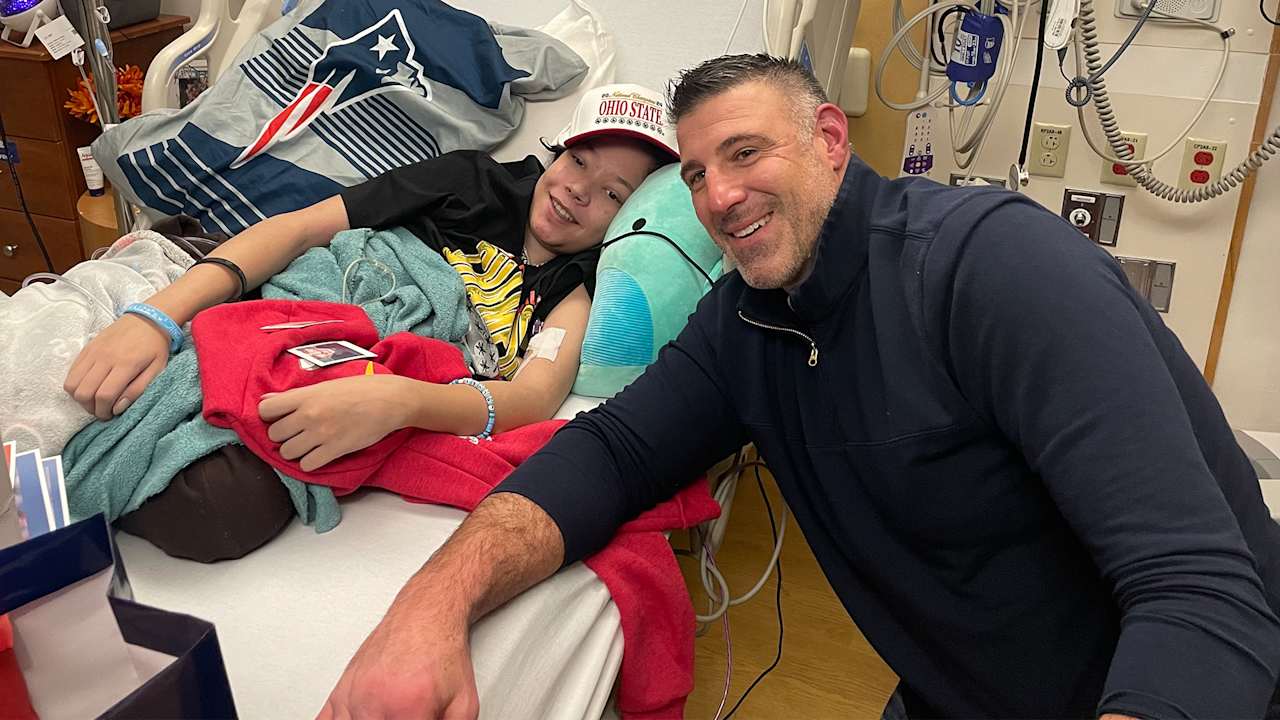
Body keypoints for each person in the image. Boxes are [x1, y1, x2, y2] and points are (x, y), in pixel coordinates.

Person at [322, 55, 1280, 718]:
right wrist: (431, 606)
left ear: (829, 138)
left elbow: (1202, 597)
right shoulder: (745, 322)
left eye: (746, 153)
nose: (719, 196)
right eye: (696, 175)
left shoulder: (995, 269)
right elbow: (609, 453)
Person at [64, 84, 677, 471]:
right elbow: (300, 230)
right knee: (71, 365)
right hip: (299, 295)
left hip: (361, 374)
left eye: (612, 193)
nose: (578, 189)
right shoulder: (468, 183)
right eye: (577, 160)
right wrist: (158, 316)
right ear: (557, 151)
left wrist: (400, 401)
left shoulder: (580, 283)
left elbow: (535, 398)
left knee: (219, 496)